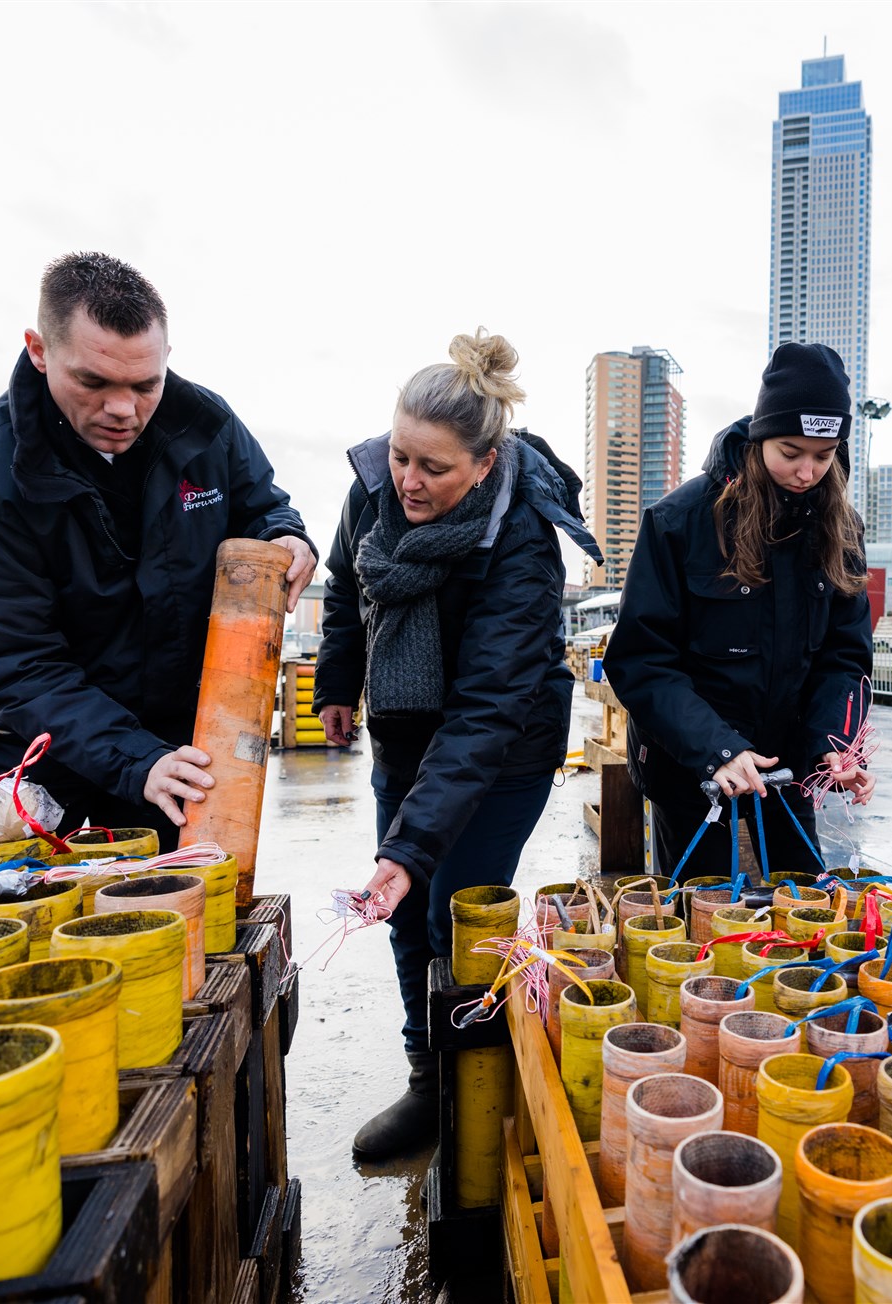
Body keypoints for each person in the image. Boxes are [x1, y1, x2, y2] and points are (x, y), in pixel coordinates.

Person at [315, 330, 601, 1161]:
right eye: (402, 454)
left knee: (453, 912)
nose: (408, 479)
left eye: (433, 468)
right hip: (405, 730)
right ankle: (428, 1080)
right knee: (405, 914)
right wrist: (338, 681)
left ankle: (477, 1085)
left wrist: (409, 845)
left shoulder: (519, 541)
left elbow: (485, 709)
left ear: (482, 464)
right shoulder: (371, 488)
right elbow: (346, 581)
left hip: (501, 745)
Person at [0, 252, 316, 851]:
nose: (123, 409)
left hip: (174, 757)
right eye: (94, 382)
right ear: (39, 350)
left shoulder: (203, 424)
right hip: (41, 767)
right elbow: (18, 667)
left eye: (144, 384)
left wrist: (289, 536)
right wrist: (136, 759)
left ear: (165, 362)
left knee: (183, 924)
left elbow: (262, 506)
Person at [605, 342, 876, 887]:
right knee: (698, 915)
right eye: (790, 451)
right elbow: (641, 659)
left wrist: (834, 746)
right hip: (693, 764)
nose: (806, 471)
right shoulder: (678, 521)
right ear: (759, 437)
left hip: (792, 762)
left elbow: (845, 657)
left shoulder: (839, 529)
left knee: (801, 914)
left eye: (823, 456)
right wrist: (718, 750)